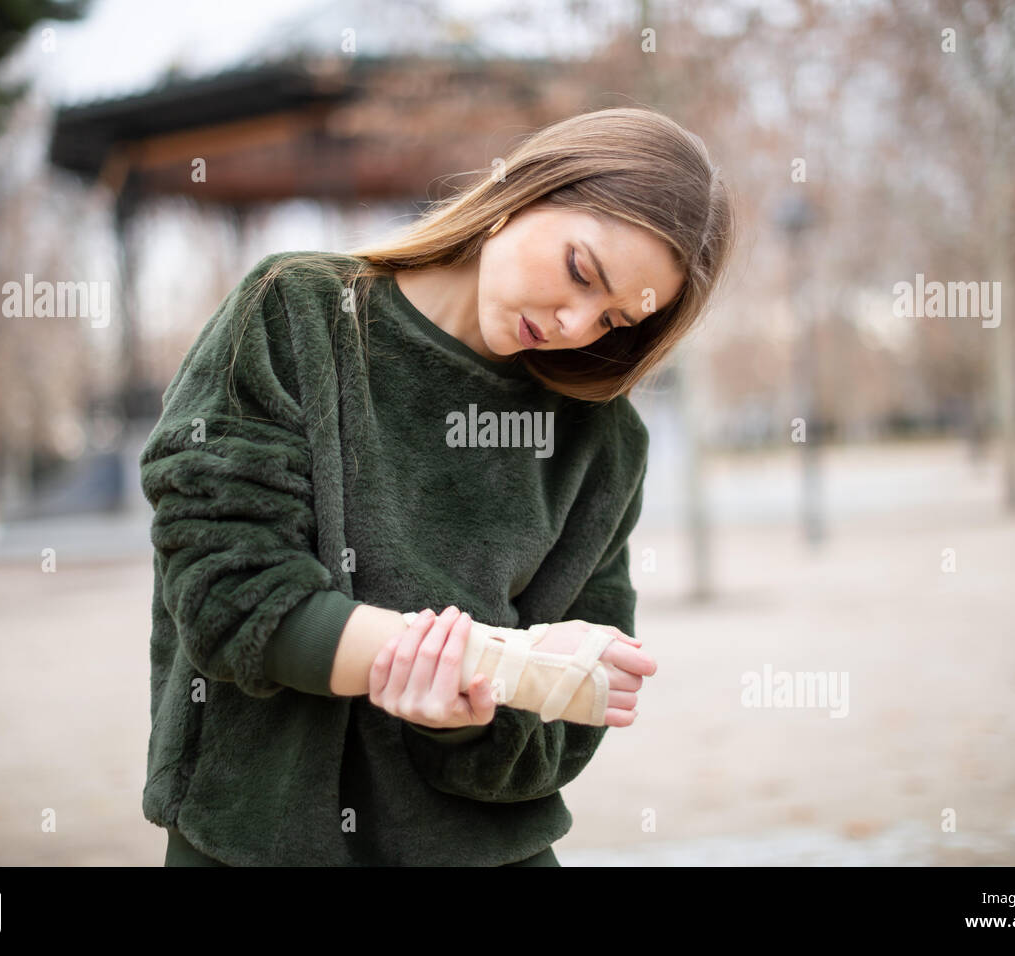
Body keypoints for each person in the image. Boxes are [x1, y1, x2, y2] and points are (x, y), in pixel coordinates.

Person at [142, 106, 736, 866]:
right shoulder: (295, 312)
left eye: (616, 319)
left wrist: (463, 715)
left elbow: (567, 729)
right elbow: (233, 596)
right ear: (521, 192)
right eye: (582, 271)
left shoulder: (603, 440)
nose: (576, 323)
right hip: (253, 841)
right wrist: (505, 664)